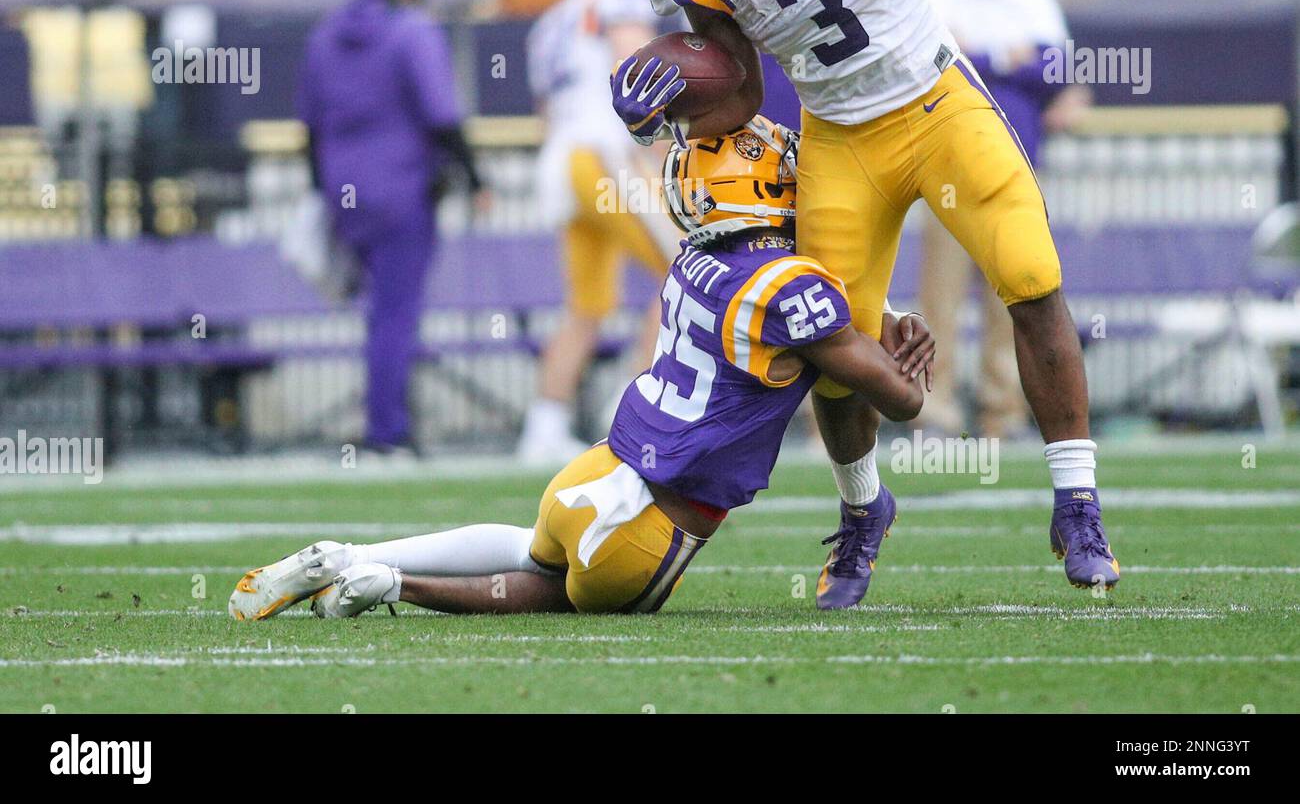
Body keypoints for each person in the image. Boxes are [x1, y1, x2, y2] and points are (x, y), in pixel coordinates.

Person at [614, 0, 1179, 604]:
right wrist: (664, 89)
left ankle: (1077, 501)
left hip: (935, 97)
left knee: (1032, 279)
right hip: (839, 134)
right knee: (835, 347)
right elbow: (739, 81)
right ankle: (864, 509)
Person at [229, 119, 931, 619]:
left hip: (596, 472)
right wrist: (910, 356)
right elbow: (899, 401)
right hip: (651, 526)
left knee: (531, 548)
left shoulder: (694, 260)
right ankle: (392, 582)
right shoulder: (788, 288)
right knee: (555, 594)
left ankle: (354, 550)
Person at [297, 0, 487, 455]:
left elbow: (309, 128)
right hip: (402, 188)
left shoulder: (325, 35)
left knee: (380, 314)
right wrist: (476, 177)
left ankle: (389, 417)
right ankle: (388, 431)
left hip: (346, 194)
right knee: (395, 313)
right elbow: (442, 114)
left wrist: (323, 194)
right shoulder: (411, 31)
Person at [517, 0, 680, 464]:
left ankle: (544, 428)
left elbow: (545, 111)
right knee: (684, 273)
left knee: (586, 306)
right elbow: (634, 77)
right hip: (604, 156)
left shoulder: (552, 21)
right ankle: (630, 413)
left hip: (563, 162)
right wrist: (659, 158)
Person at [916, 0, 1089, 440]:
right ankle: (935, 407)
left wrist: (987, 57)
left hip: (1017, 164)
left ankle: (1005, 412)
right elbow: (940, 71)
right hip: (947, 165)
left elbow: (1058, 72)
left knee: (1018, 291)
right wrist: (1012, 59)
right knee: (940, 296)